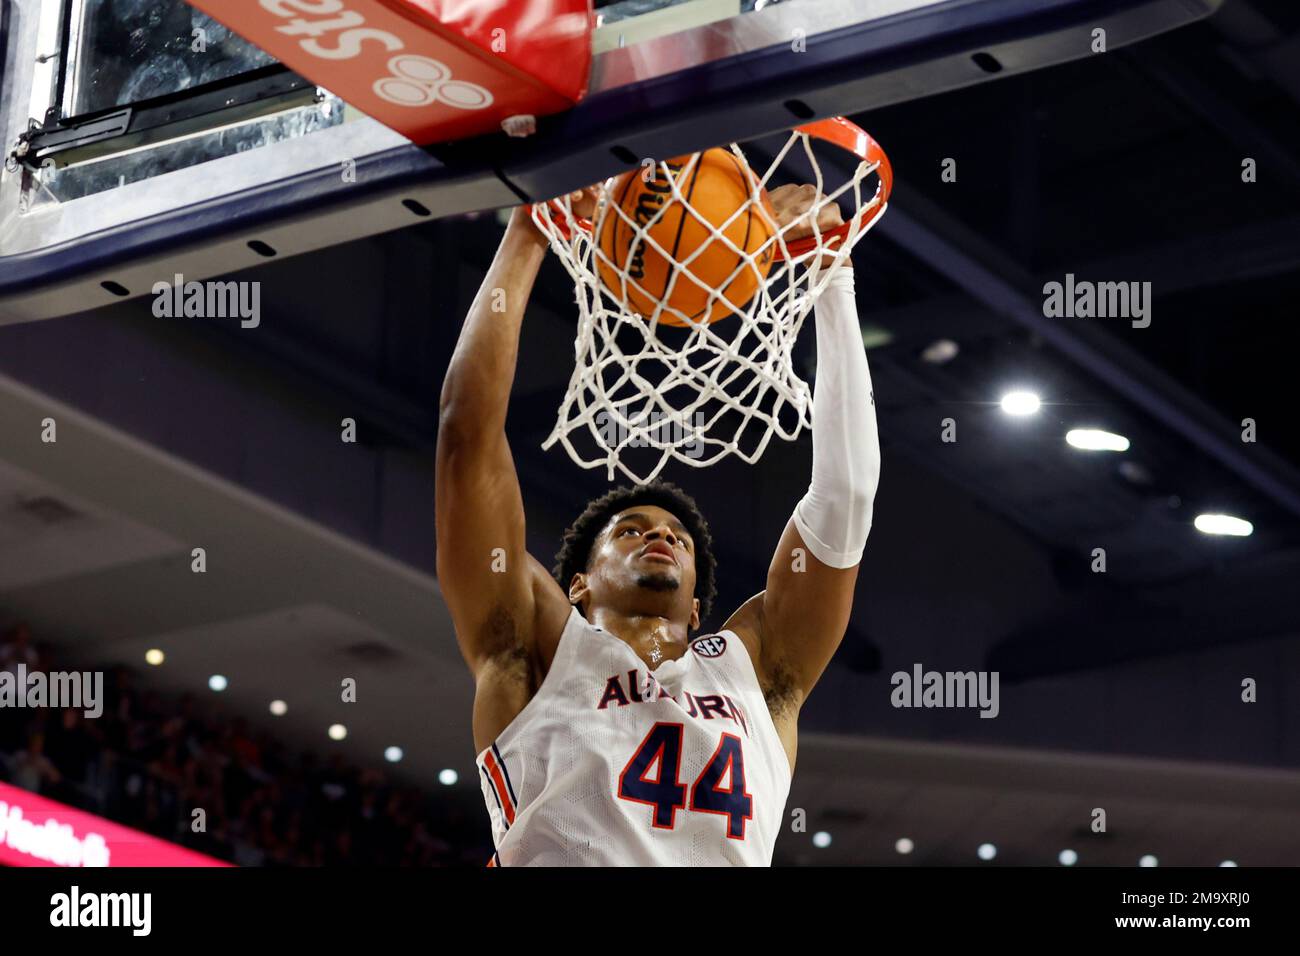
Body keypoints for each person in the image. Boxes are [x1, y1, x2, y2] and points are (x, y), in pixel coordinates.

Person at [435, 182, 881, 866]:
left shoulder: (755, 672)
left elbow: (846, 496)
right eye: (630, 528)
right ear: (578, 584)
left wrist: (832, 275)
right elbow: (466, 438)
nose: (661, 534)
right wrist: (530, 231)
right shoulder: (534, 648)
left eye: (675, 533)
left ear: (700, 606)